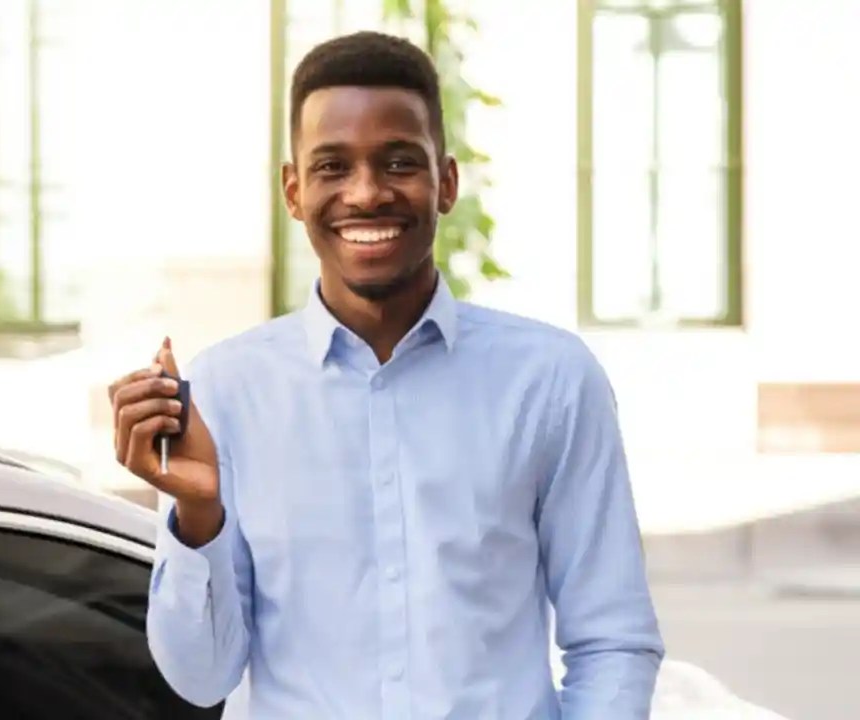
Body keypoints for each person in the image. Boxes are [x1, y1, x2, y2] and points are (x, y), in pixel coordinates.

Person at [107, 30, 664, 719]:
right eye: (333, 167)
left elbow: (613, 640)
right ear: (293, 190)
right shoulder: (224, 393)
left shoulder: (550, 382)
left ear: (447, 182)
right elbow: (200, 679)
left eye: (399, 162)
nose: (366, 193)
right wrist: (198, 514)